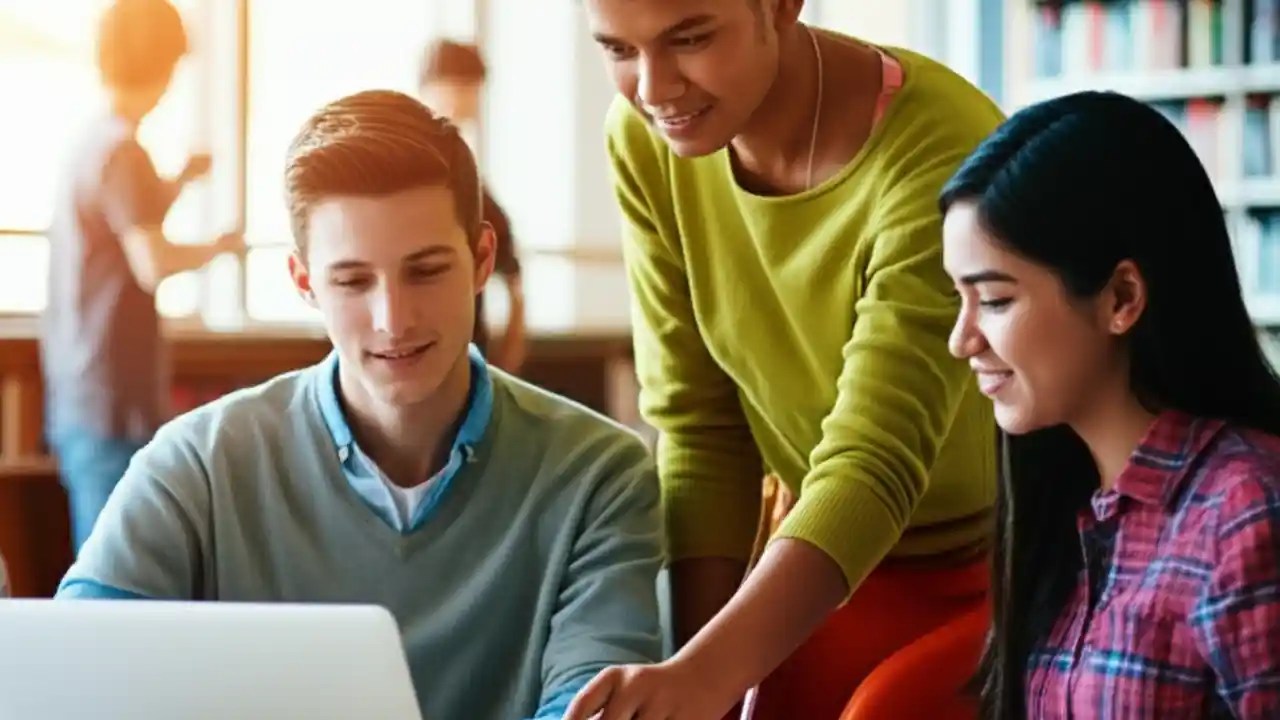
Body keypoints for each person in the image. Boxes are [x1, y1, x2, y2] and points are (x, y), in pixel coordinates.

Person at [55, 89, 665, 720]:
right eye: (351, 281)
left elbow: (593, 704)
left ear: (482, 260)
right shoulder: (197, 466)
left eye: (425, 271)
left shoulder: (600, 476)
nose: (392, 320)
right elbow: (75, 676)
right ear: (304, 282)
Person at [569, 1, 1005, 718]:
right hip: (821, 554)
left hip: (1002, 560)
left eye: (690, 38)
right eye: (618, 49)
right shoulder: (648, 142)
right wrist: (693, 670)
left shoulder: (943, 149)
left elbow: (875, 462)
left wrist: (705, 678)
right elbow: (701, 428)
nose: (654, 89)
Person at [941, 91, 1280, 718]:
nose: (962, 340)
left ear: (1121, 296)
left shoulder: (1245, 514)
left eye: (993, 300)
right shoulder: (1062, 505)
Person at [40, 0, 242, 552]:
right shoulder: (123, 153)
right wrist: (222, 249)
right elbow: (152, 263)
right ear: (165, 65)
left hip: (79, 390)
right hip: (113, 400)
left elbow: (125, 230)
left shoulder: (91, 142)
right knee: (117, 575)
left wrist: (178, 181)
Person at [419, 39, 528, 373]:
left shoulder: (473, 182)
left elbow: (513, 280)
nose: (467, 99)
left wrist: (508, 358)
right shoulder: (413, 175)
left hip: (466, 356)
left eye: (472, 88)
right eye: (459, 86)